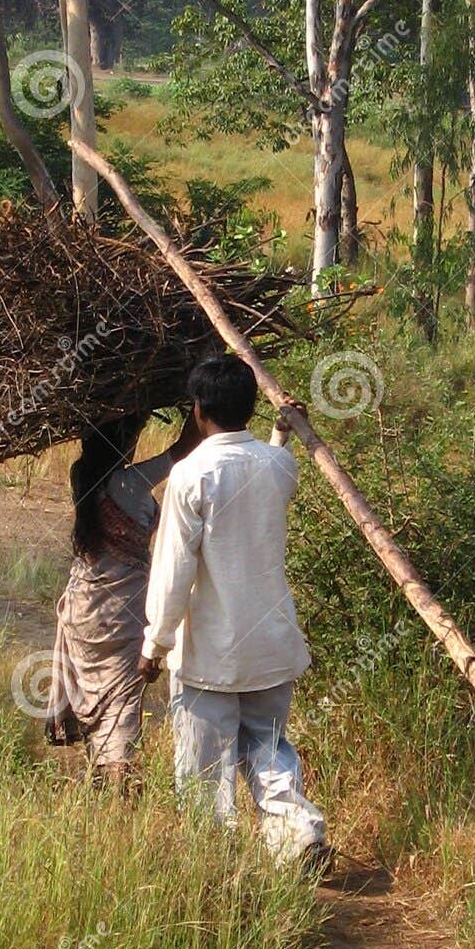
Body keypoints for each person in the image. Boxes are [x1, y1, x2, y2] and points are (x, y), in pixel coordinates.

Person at [137, 356, 330, 874]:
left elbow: (174, 570)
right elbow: (262, 471)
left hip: (211, 655)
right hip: (270, 645)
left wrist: (155, 644)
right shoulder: (279, 467)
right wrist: (281, 432)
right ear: (247, 408)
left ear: (198, 411)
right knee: (268, 748)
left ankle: (212, 869)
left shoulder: (189, 476)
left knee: (203, 772)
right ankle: (298, 833)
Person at [47, 408, 199, 783]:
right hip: (121, 610)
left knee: (97, 693)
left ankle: (101, 780)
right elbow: (182, 449)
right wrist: (198, 403)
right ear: (123, 442)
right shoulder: (127, 483)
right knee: (122, 697)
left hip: (82, 604)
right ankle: (120, 787)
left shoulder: (82, 476)